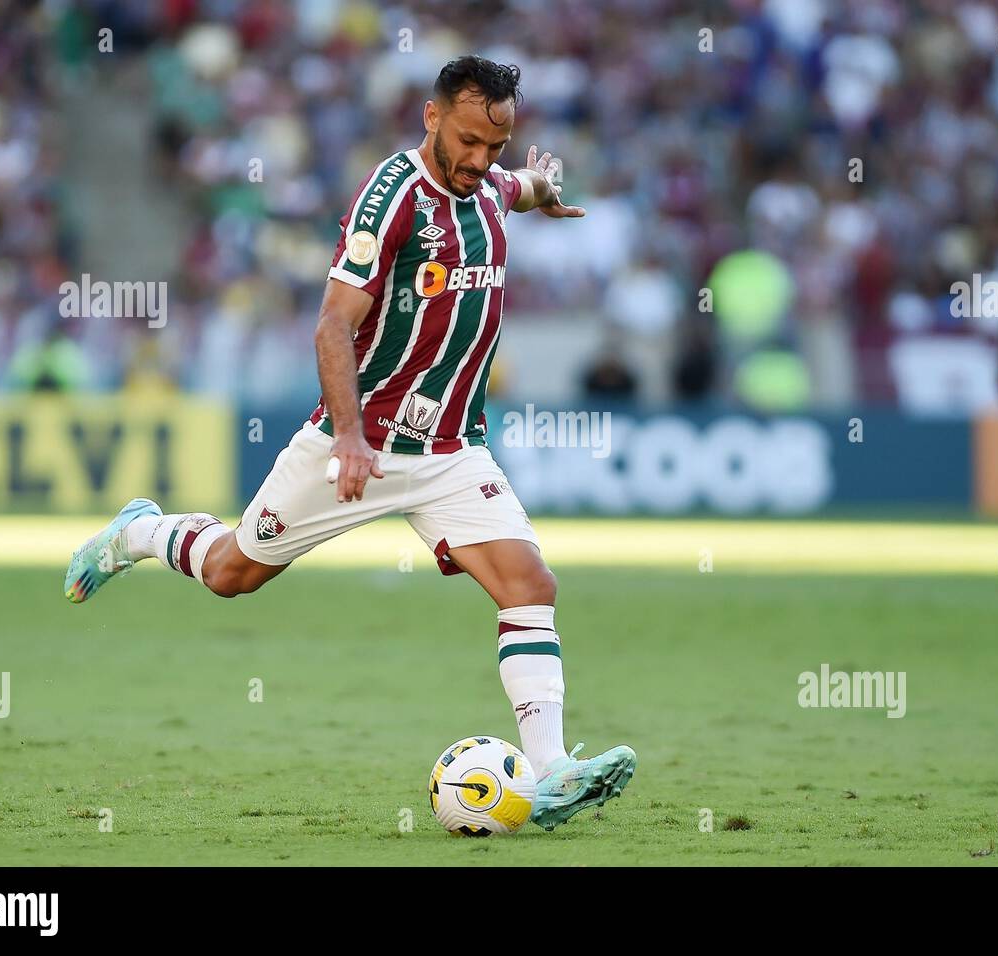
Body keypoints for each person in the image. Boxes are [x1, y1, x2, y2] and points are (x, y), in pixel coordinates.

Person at [64, 55, 636, 829]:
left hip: (451, 452)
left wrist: (543, 185)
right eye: (467, 140)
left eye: (494, 146)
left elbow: (518, 188)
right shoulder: (392, 199)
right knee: (234, 572)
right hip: (358, 444)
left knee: (530, 586)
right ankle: (140, 530)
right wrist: (352, 438)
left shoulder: (489, 185)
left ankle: (553, 771)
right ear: (432, 117)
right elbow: (333, 324)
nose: (478, 160)